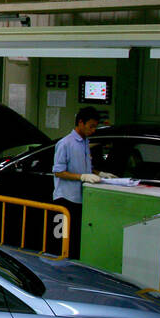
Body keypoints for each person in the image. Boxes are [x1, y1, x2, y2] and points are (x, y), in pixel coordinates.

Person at [51, 106, 113, 258]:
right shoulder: (66, 143)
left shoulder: (85, 142)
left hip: (80, 199)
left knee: (75, 241)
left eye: (94, 127)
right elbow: (58, 171)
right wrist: (82, 177)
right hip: (65, 199)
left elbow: (86, 168)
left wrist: (101, 174)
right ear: (80, 122)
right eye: (91, 126)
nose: (93, 130)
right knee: (62, 240)